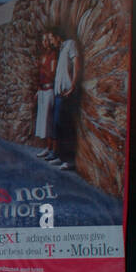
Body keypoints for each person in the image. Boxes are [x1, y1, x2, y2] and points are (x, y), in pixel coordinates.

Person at [53, 28, 82, 171]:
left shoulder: (70, 44)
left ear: (57, 36)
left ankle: (69, 160)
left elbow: (76, 63)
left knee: (66, 125)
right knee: (58, 125)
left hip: (66, 92)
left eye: (51, 38)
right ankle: (62, 157)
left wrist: (73, 85)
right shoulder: (61, 49)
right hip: (59, 92)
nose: (51, 41)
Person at [34, 30, 58, 160]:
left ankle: (52, 150)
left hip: (49, 90)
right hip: (42, 91)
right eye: (43, 40)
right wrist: (38, 89)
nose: (45, 42)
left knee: (49, 120)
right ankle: (47, 148)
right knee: (43, 120)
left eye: (47, 40)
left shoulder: (53, 55)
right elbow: (40, 76)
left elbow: (52, 75)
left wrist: (42, 68)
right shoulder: (42, 56)